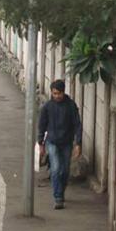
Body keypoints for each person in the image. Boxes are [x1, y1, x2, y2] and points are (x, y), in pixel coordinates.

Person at [38, 79, 82, 210]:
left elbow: (77, 125)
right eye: (54, 93)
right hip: (52, 142)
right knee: (56, 169)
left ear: (63, 92)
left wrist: (78, 143)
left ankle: (61, 191)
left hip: (66, 142)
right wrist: (40, 143)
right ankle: (58, 197)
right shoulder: (47, 107)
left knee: (65, 170)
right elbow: (42, 125)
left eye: (59, 93)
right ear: (51, 93)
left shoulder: (71, 106)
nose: (57, 96)